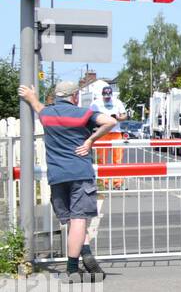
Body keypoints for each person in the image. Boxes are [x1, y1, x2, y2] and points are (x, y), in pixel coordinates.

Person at [18, 80, 118, 280]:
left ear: (56, 97)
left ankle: (87, 254)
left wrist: (31, 97)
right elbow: (110, 121)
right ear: (74, 97)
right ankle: (72, 268)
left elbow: (38, 107)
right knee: (80, 219)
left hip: (57, 176)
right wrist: (90, 140)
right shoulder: (82, 113)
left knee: (72, 220)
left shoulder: (46, 115)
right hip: (80, 173)